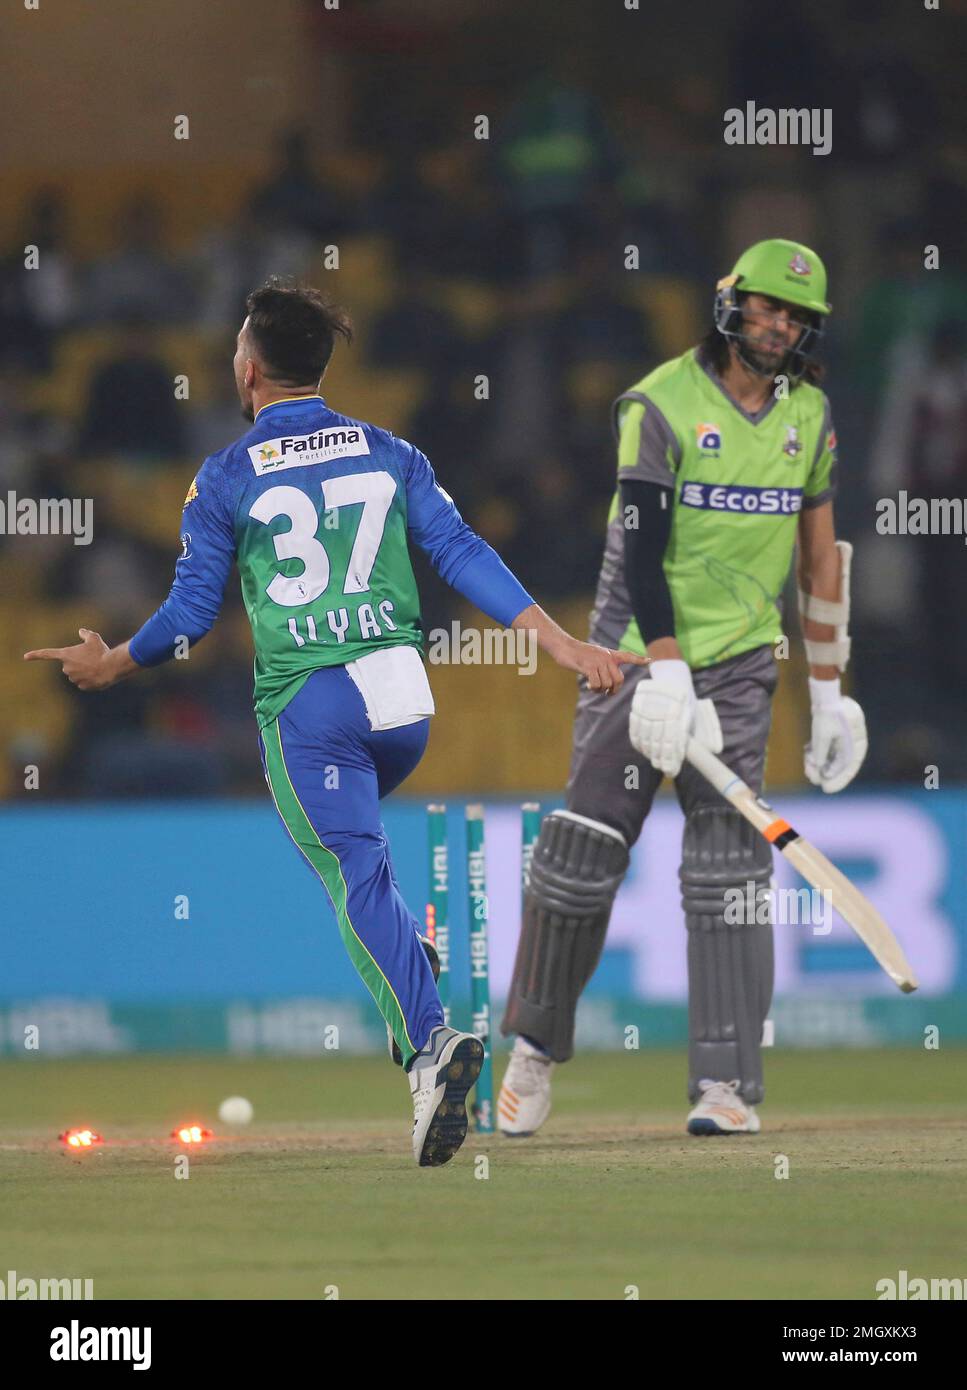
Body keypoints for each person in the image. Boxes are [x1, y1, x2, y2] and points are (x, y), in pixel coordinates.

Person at [24, 279, 642, 1168]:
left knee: (348, 871)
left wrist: (111, 662)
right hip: (402, 701)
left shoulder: (228, 474)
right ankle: (402, 946)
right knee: (360, 869)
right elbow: (460, 549)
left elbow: (194, 611)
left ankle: (428, 1050)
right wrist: (553, 639)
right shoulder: (389, 450)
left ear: (247, 368)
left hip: (310, 706)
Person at [499, 239, 868, 1138]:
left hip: (742, 668)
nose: (777, 326)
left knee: (729, 873)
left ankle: (724, 1088)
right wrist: (662, 665)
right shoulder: (659, 402)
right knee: (580, 860)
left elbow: (818, 557)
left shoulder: (810, 417)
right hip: (633, 659)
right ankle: (532, 1054)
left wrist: (827, 691)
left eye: (795, 316)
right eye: (765, 307)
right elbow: (640, 546)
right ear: (729, 303)